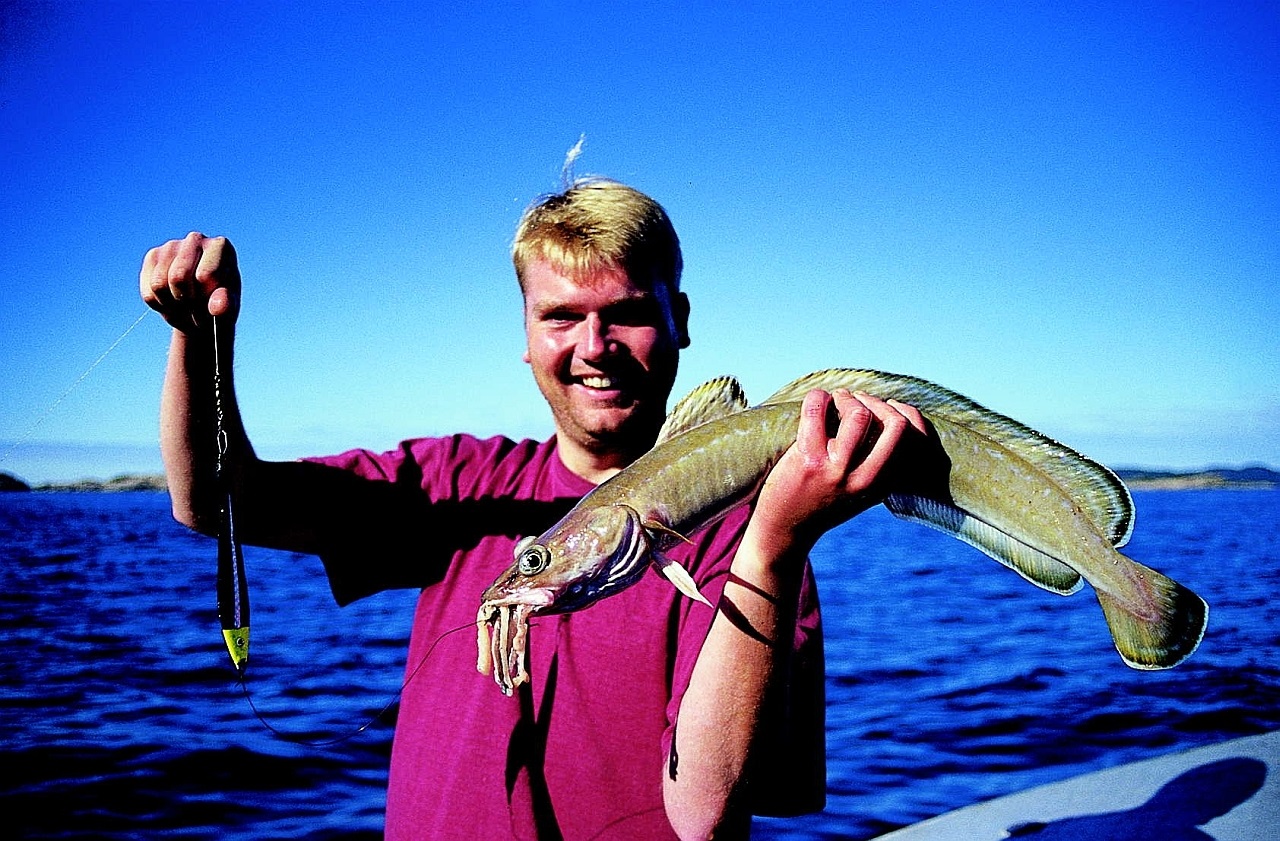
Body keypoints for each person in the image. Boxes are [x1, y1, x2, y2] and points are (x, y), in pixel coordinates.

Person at [140, 177, 931, 840]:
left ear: (679, 322)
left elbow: (706, 812)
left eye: (626, 312)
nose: (595, 345)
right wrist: (199, 344)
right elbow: (215, 503)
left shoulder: (749, 531)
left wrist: (774, 549)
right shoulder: (457, 481)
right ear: (524, 334)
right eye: (560, 316)